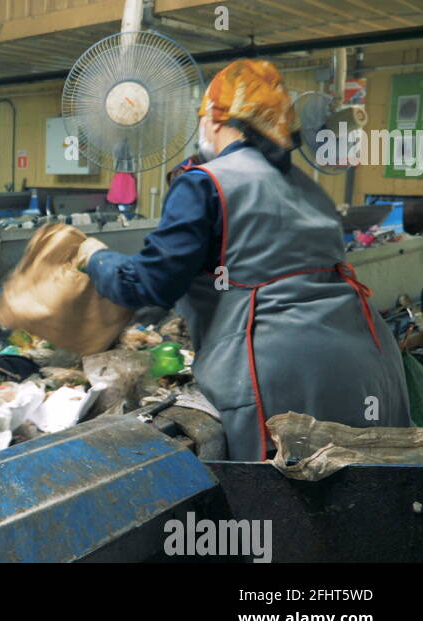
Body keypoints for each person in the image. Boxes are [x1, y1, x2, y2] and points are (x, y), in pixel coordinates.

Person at [79, 59, 412, 462]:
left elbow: (150, 285)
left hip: (281, 373)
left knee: (282, 506)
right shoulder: (310, 190)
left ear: (217, 120)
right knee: (372, 498)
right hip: (370, 361)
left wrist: (96, 258)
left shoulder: (206, 181)